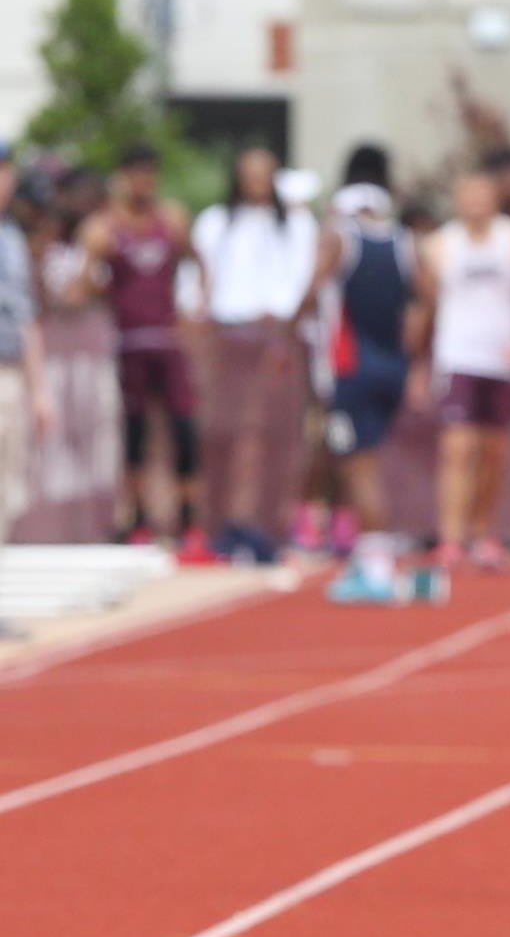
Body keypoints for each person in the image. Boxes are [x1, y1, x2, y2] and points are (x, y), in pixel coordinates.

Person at [75, 144, 209, 557]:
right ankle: (138, 518)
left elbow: (199, 262)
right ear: (122, 178)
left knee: (183, 427)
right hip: (129, 342)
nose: (143, 182)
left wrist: (199, 307)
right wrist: (97, 287)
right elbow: (83, 281)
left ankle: (188, 518)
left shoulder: (170, 221)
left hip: (167, 340)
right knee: (135, 431)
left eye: (148, 174)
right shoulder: (104, 228)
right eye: (135, 174)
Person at [300, 145, 420, 604]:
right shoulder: (404, 241)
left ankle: (376, 566)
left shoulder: (338, 236)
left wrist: (289, 328)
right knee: (360, 461)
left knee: (359, 468)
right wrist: (416, 350)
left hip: (351, 368)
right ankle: (368, 556)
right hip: (392, 366)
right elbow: (427, 299)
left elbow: (313, 287)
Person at [413, 167, 510, 570]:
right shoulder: (439, 246)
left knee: (494, 450)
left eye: (482, 195)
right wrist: (420, 364)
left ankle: (483, 533)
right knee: (458, 448)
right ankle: (451, 537)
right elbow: (427, 307)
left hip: (503, 358)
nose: (475, 203)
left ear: (495, 199)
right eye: (467, 195)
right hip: (458, 356)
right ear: (457, 201)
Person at [193, 146, 318, 563]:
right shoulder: (215, 222)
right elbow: (201, 281)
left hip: (275, 337)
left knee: (271, 436)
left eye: (265, 174)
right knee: (222, 433)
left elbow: (304, 280)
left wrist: (284, 326)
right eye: (250, 174)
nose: (257, 183)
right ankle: (221, 525)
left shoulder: (297, 224)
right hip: (229, 336)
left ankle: (267, 527)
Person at [0, 142, 61, 640]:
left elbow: (27, 319)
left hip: (10, 374)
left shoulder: (11, 238)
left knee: (6, 492)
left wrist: (40, 389)